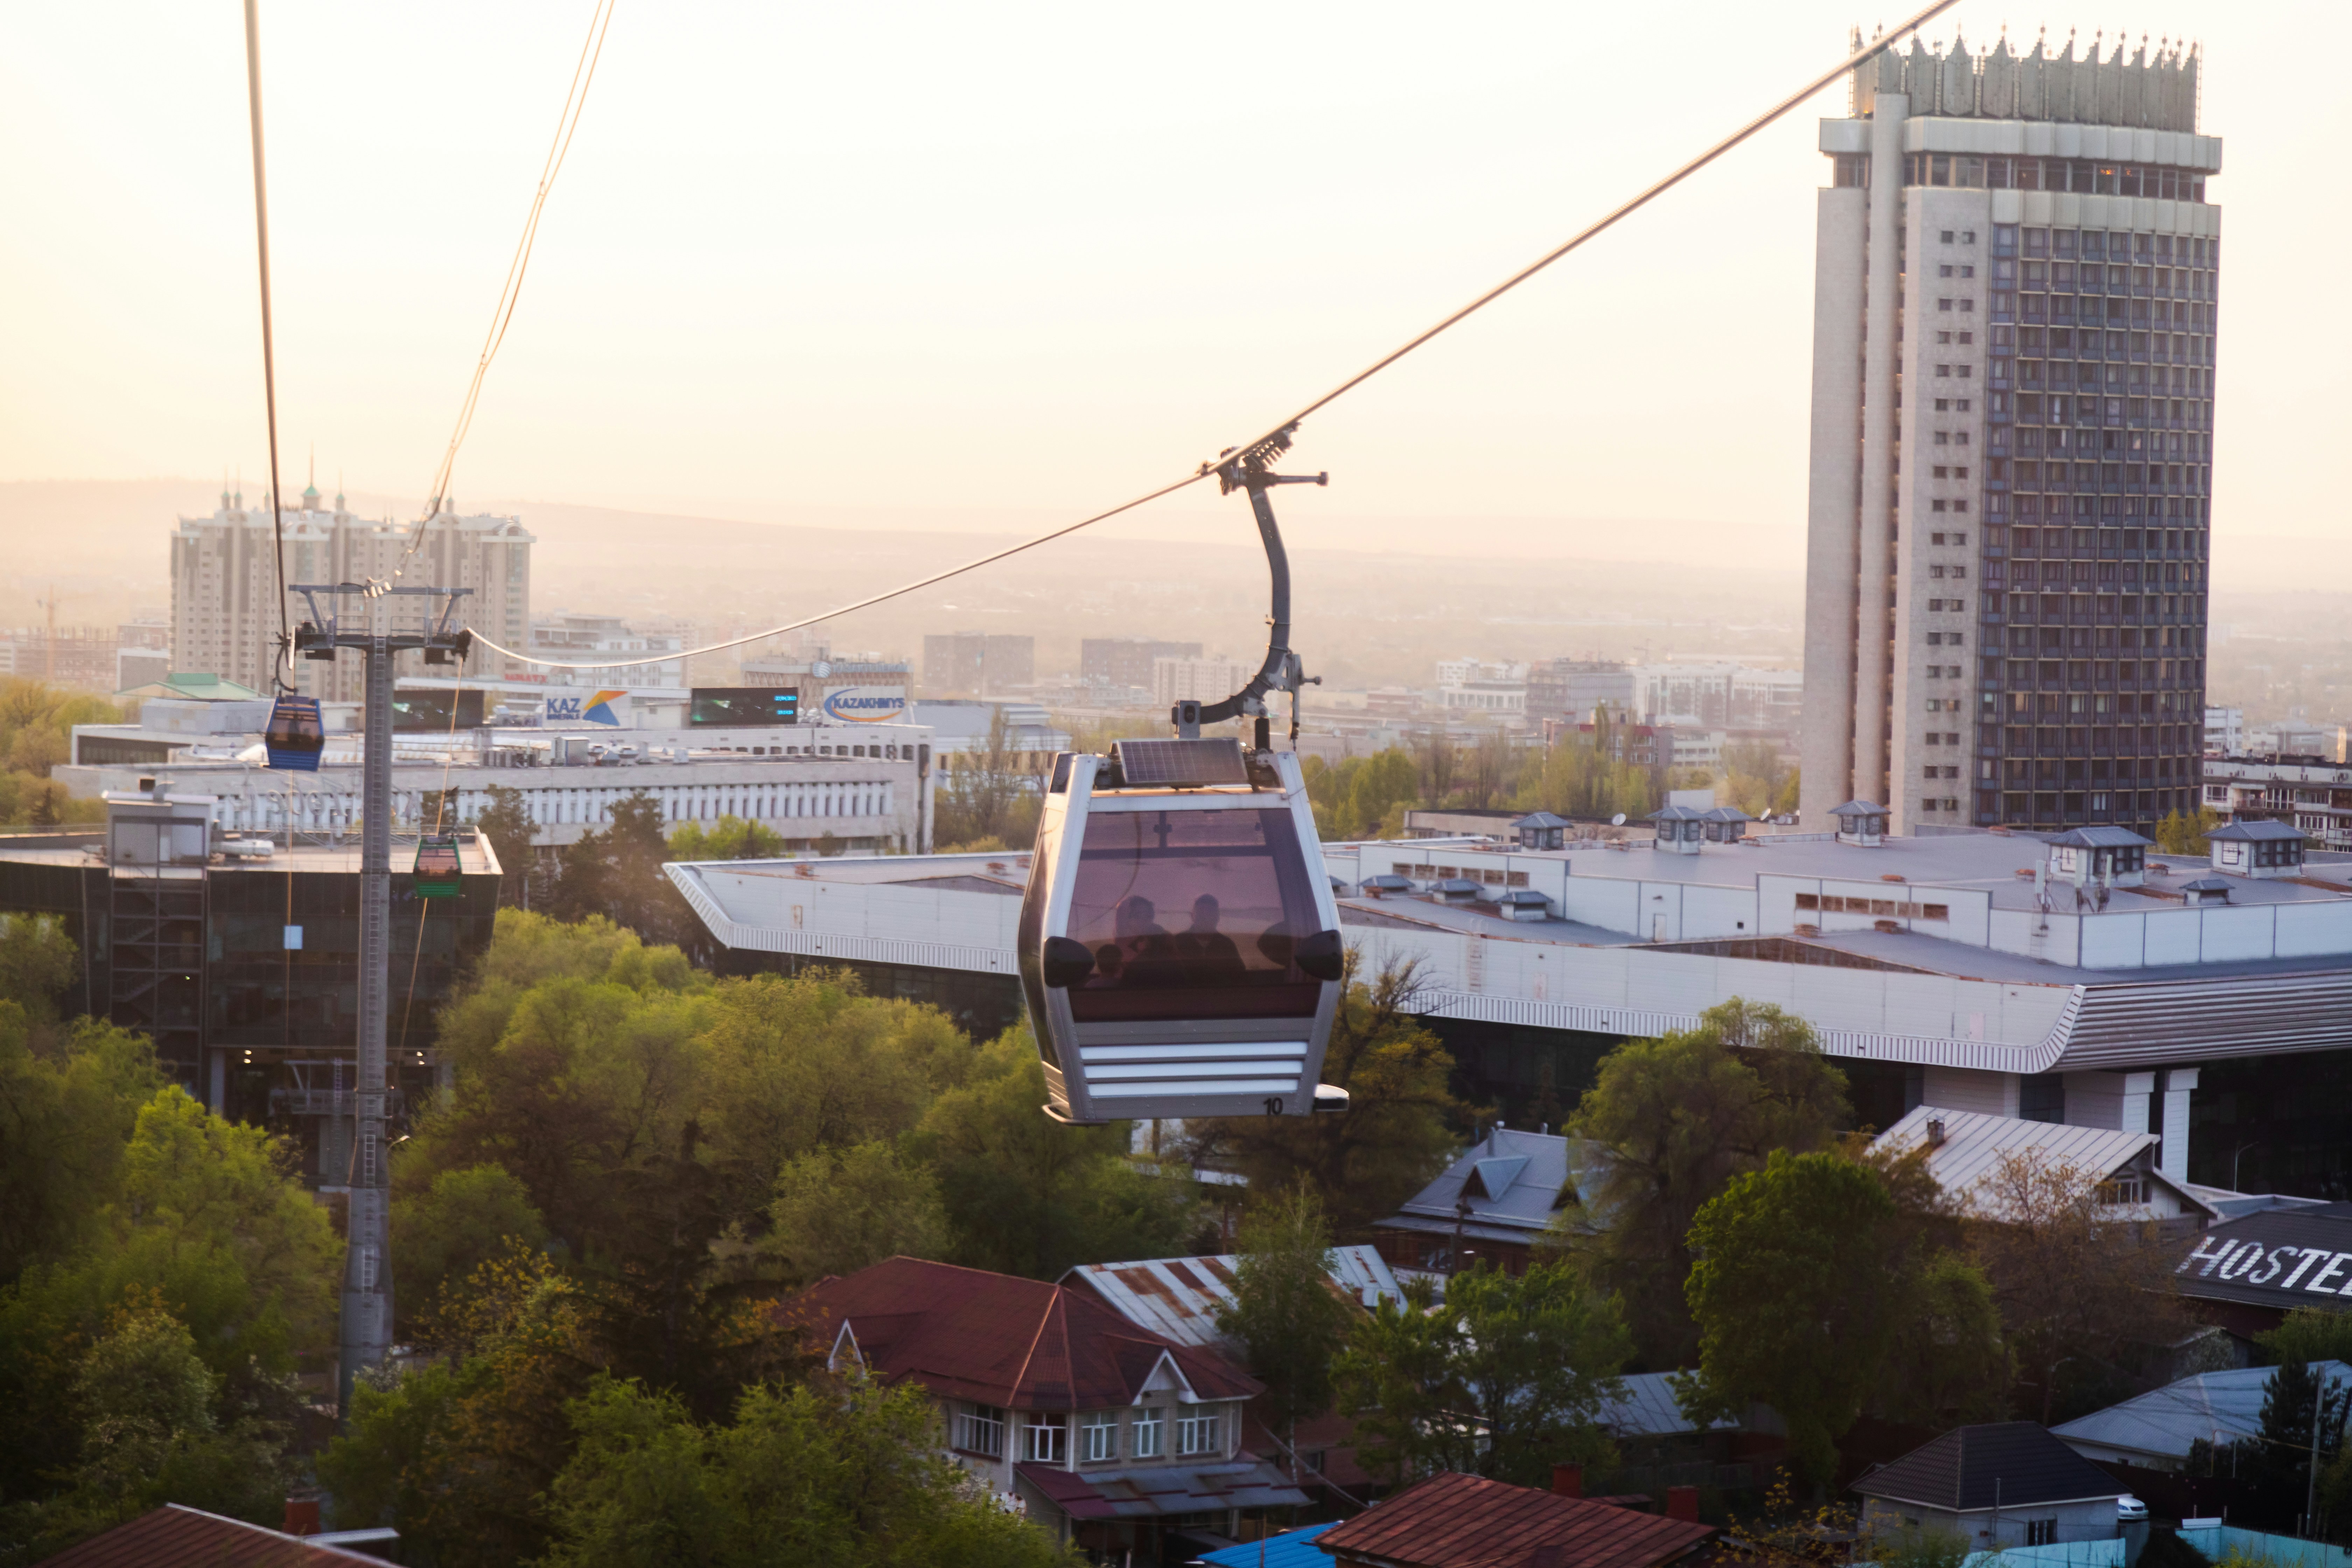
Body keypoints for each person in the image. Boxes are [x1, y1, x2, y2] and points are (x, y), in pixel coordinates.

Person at [1176, 893, 1244, 977]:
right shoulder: (1177, 942)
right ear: (1192, 916)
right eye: (1201, 912)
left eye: (1210, 913)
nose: (1205, 917)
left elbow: (1240, 976)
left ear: (1217, 917)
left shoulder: (1227, 945)